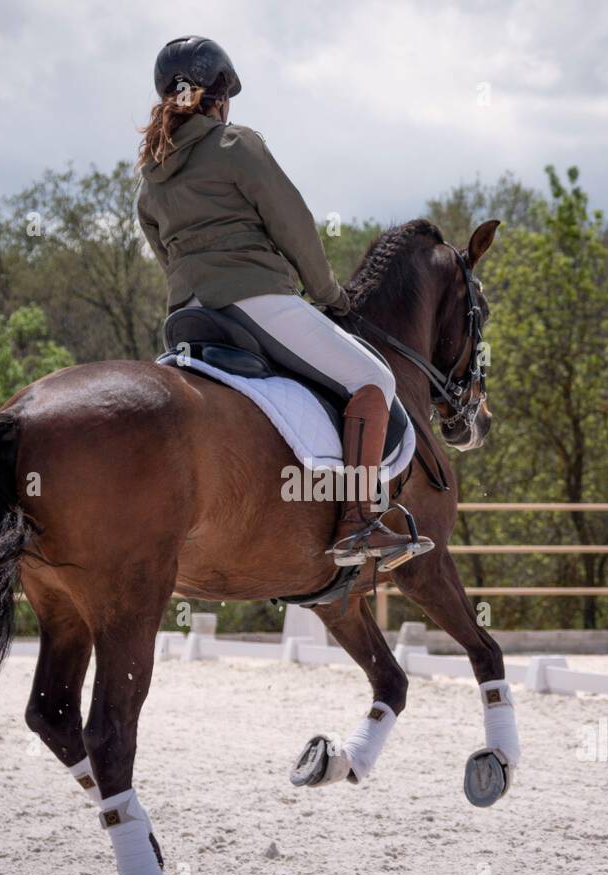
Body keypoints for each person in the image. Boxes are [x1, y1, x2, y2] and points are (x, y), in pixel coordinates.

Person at [136, 36, 432, 569]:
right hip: (254, 300)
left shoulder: (149, 180)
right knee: (374, 381)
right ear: (219, 97)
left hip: (190, 318)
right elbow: (293, 225)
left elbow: (165, 256)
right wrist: (328, 295)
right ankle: (359, 522)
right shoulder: (236, 146)